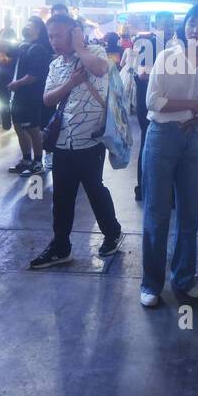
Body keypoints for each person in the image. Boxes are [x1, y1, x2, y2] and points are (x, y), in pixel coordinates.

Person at [139, 4, 198, 306]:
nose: (195, 30)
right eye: (191, 24)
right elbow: (152, 101)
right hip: (161, 137)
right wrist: (194, 105)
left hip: (191, 139)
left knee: (190, 212)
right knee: (157, 213)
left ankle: (184, 277)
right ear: (183, 28)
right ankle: (151, 284)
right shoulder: (165, 57)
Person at [28, 15, 124, 269]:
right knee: (62, 196)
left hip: (90, 140)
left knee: (94, 189)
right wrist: (71, 82)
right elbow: (48, 99)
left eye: (59, 35)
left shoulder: (94, 52)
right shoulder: (56, 65)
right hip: (62, 141)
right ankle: (61, 246)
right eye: (50, 36)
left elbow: (101, 69)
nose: (54, 41)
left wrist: (80, 47)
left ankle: (112, 232)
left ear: (75, 33)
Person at [129, 11, 177, 202]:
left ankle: (163, 189)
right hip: (147, 102)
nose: (169, 28)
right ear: (156, 25)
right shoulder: (148, 45)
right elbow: (141, 74)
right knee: (148, 143)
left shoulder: (175, 46)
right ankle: (143, 187)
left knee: (165, 146)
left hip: (167, 102)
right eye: (165, 24)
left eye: (171, 24)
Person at [7, 16, 52, 176]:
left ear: (38, 29)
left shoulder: (38, 48)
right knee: (19, 128)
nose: (26, 28)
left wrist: (17, 84)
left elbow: (36, 74)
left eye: (29, 25)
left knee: (33, 129)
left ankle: (38, 161)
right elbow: (5, 49)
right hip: (19, 95)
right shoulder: (24, 46)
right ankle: (26, 159)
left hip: (31, 96)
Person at [0, 27, 17, 131]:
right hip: (16, 80)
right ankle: (17, 125)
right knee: (16, 105)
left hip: (2, 81)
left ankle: (6, 125)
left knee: (4, 105)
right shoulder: (18, 48)